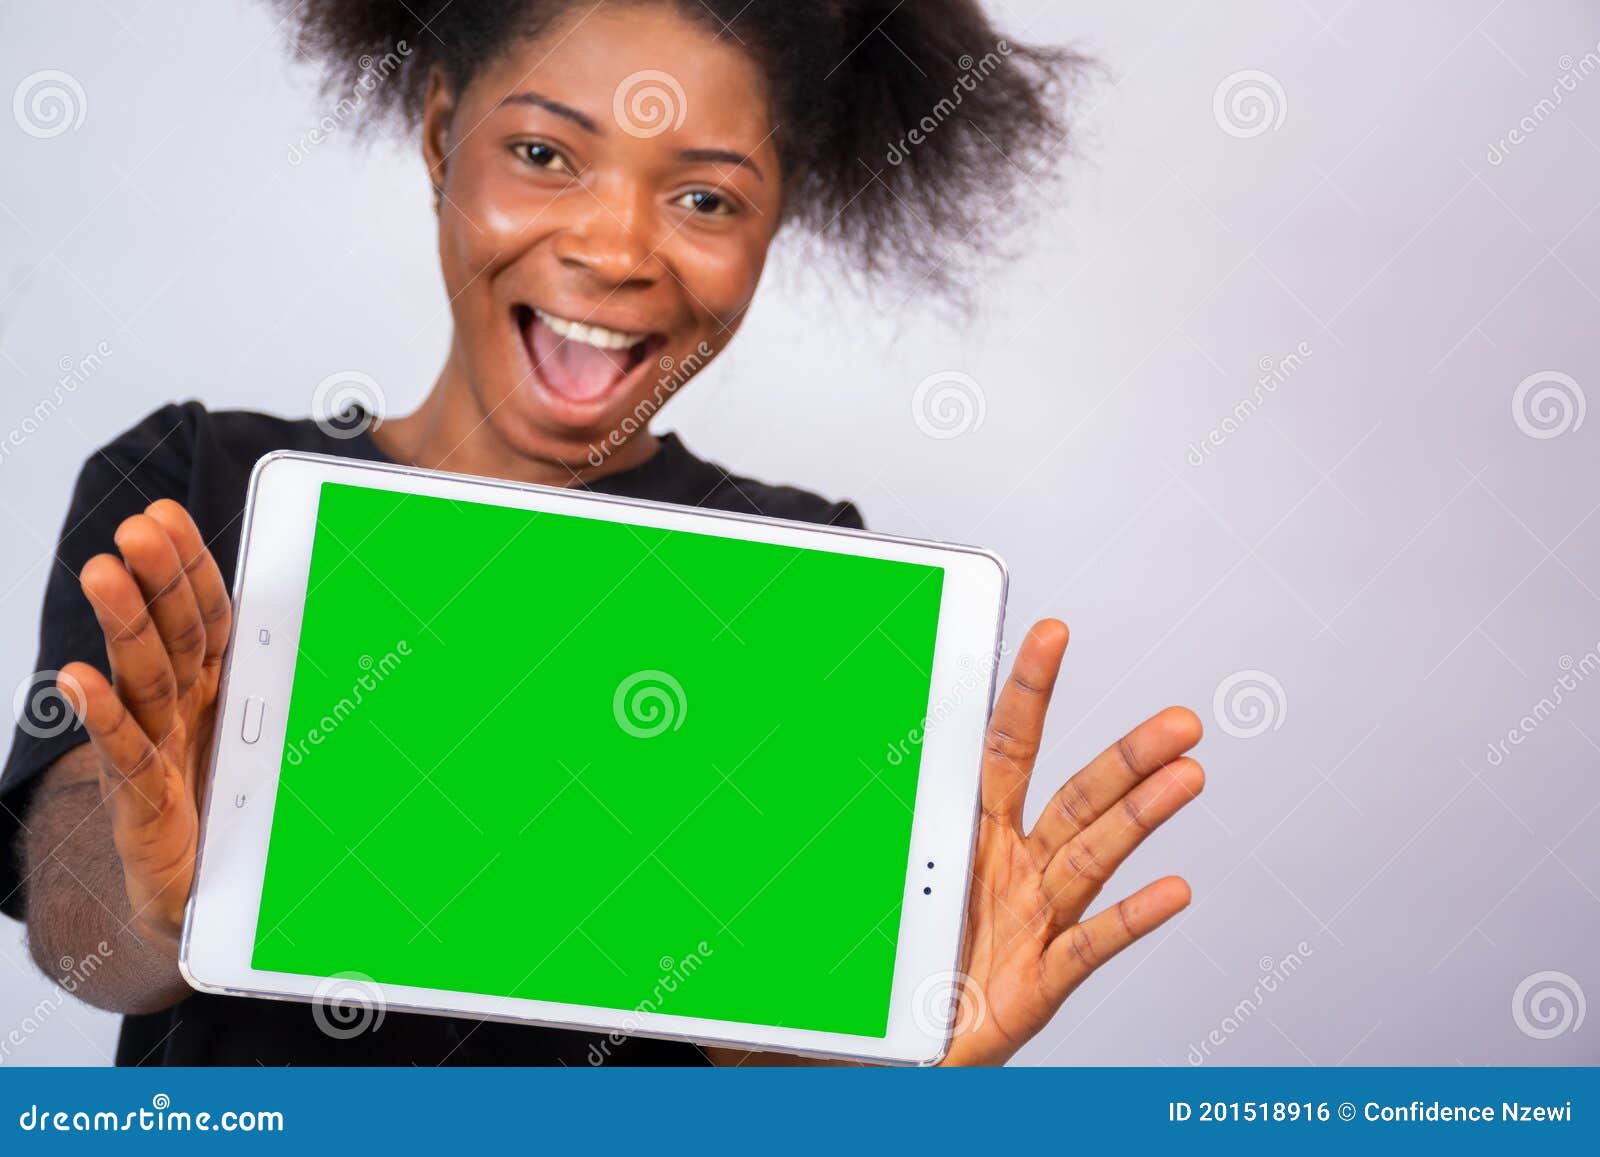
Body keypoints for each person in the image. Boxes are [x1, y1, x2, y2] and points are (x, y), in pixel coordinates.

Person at [1, 0, 1206, 1066]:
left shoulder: (805, 575)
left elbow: (777, 1070)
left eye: (705, 198)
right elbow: (72, 926)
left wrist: (878, 1066)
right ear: (441, 132)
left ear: (776, 219)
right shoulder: (195, 488)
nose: (615, 250)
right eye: (542, 154)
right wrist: (152, 896)